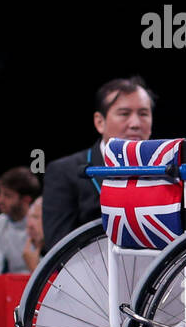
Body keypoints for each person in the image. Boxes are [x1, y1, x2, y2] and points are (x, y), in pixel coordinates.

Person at [42, 77, 154, 254]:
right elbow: (57, 246)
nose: (135, 124)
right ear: (99, 122)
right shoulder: (63, 172)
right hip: (90, 276)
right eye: (124, 114)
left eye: (143, 113)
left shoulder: (167, 170)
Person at [0, 167, 41, 274]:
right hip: (14, 285)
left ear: (26, 200)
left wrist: (34, 267)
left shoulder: (44, 222)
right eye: (0, 194)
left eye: (7, 196)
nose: (0, 200)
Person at [21, 198, 44, 273]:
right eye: (28, 218)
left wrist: (34, 268)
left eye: (36, 217)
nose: (29, 225)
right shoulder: (28, 253)